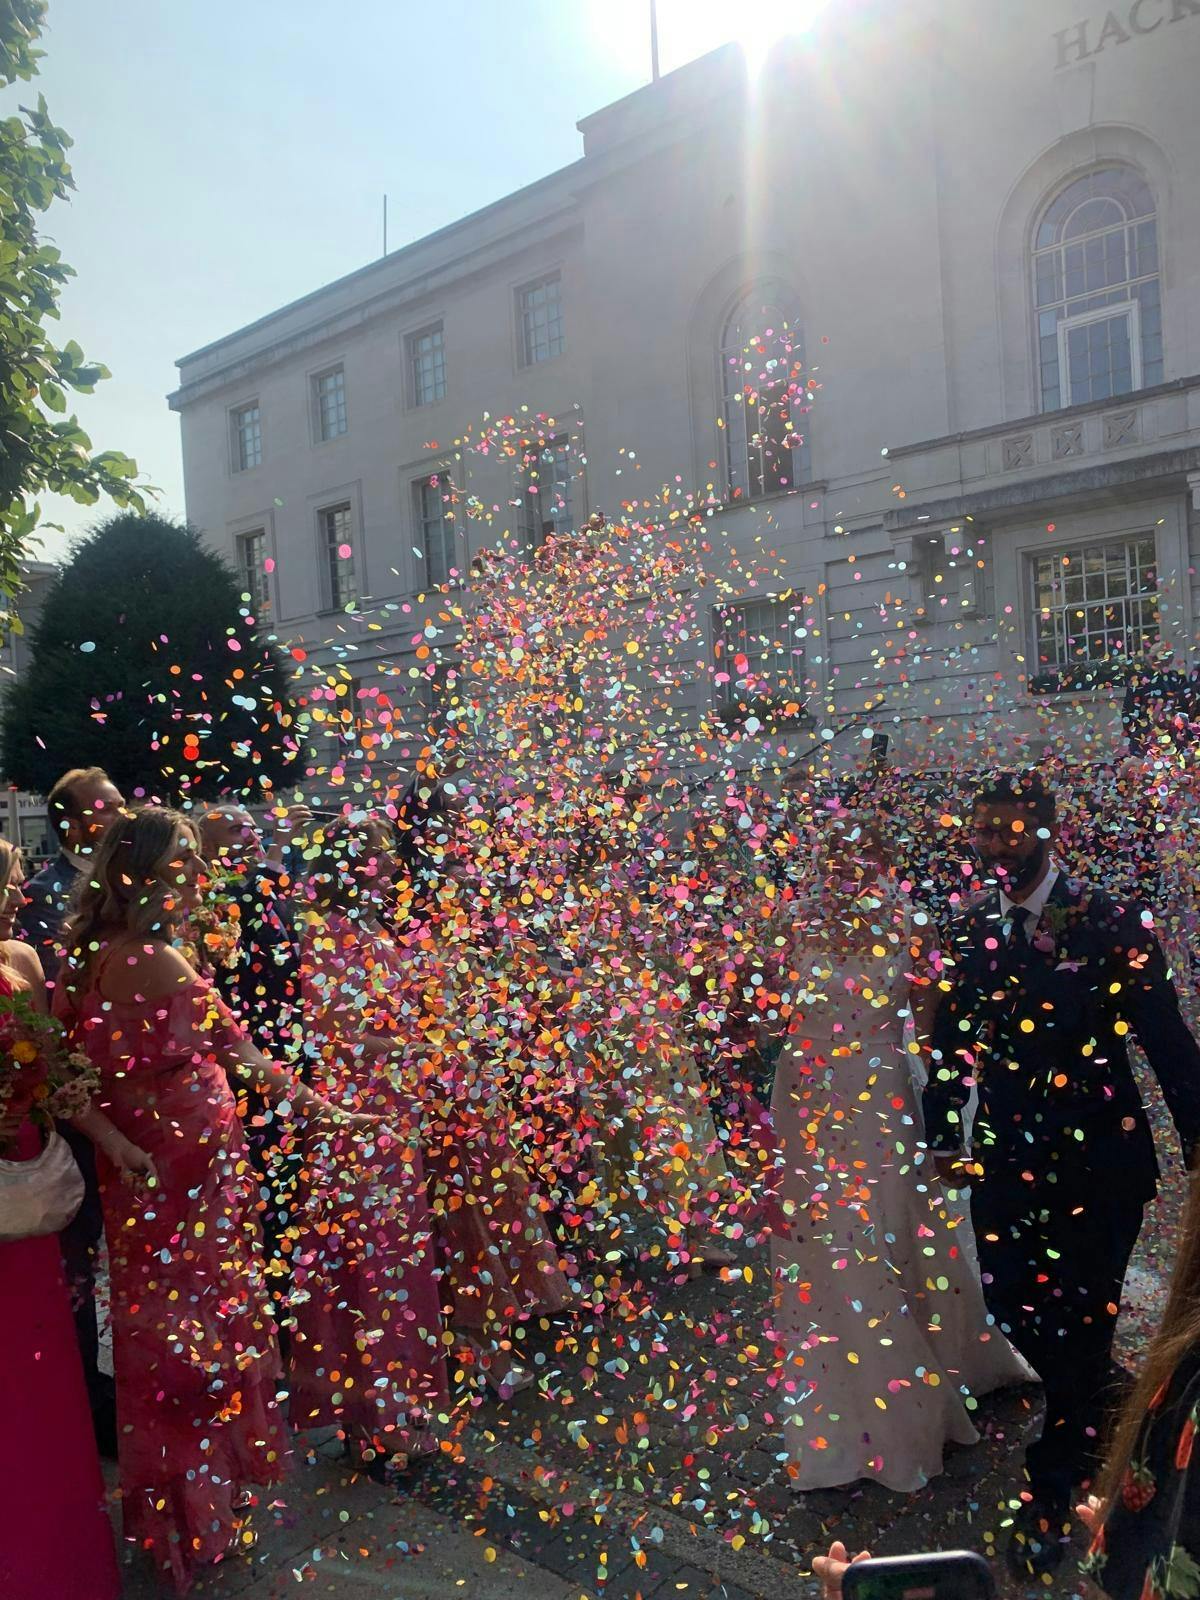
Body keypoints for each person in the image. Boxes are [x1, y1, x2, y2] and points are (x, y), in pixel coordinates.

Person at [58, 807, 380, 1592]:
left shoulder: (86, 958)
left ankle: (181, 1516)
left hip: (154, 1172)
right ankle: (199, 1517)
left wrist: (119, 1147)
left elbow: (69, 1086)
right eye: (188, 863)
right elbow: (242, 1054)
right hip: (184, 1176)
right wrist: (327, 1110)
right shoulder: (158, 961)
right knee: (196, 1342)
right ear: (151, 875)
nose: (201, 877)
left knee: (161, 1339)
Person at [923, 770, 1200, 1572]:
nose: (993, 846)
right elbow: (953, 1042)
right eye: (981, 832)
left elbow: (1164, 1035)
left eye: (1008, 831)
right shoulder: (972, 928)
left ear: (1047, 834)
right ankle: (1106, 1406)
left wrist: (1198, 1135)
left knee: (1081, 1320)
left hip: (1099, 1164)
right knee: (1013, 1305)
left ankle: (1054, 1486)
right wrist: (946, 1133)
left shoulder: (1111, 920)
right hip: (1007, 1160)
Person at [769, 806, 1030, 1493]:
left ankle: (920, 1393)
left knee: (889, 1236)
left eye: (856, 854)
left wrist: (946, 1118)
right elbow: (772, 1018)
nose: (841, 867)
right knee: (829, 1249)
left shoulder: (913, 925)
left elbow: (935, 1028)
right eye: (830, 854)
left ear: (881, 860)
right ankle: (843, 1399)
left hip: (883, 1100)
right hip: (808, 1101)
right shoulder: (792, 924)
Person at [813, 1165, 1200, 1600]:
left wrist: (1142, 1553)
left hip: (1095, 1164)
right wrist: (1143, 1536)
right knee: (1029, 1315)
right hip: (1012, 1163)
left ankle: (1063, 1452)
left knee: (1083, 1335)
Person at [0, 835, 151, 1600]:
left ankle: (55, 1564)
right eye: (11, 881)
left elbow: (60, 1074)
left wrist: (115, 1140)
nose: (17, 893)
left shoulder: (21, 963)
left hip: (24, 1203)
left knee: (36, 1379)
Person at [287, 813, 450, 1477]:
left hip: (391, 1111)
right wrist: (415, 1046)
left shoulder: (371, 928)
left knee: (395, 1262)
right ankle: (376, 1416)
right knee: (371, 1265)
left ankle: (390, 1407)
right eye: (377, 855)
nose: (389, 866)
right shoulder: (326, 934)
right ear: (347, 864)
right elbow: (332, 1035)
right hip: (357, 1117)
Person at [17, 764, 126, 1457]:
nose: (118, 817)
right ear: (72, 823)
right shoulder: (42, 897)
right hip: (77, 1110)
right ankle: (91, 1404)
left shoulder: (126, 887)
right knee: (81, 1263)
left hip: (136, 1105)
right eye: (105, 809)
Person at [197, 802, 303, 1319]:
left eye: (252, 829)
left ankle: (287, 1307)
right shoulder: (209, 904)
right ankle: (264, 1312)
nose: (250, 837)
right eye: (235, 831)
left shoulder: (269, 889)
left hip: (287, 1055)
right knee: (258, 1190)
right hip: (241, 1063)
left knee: (287, 1188)